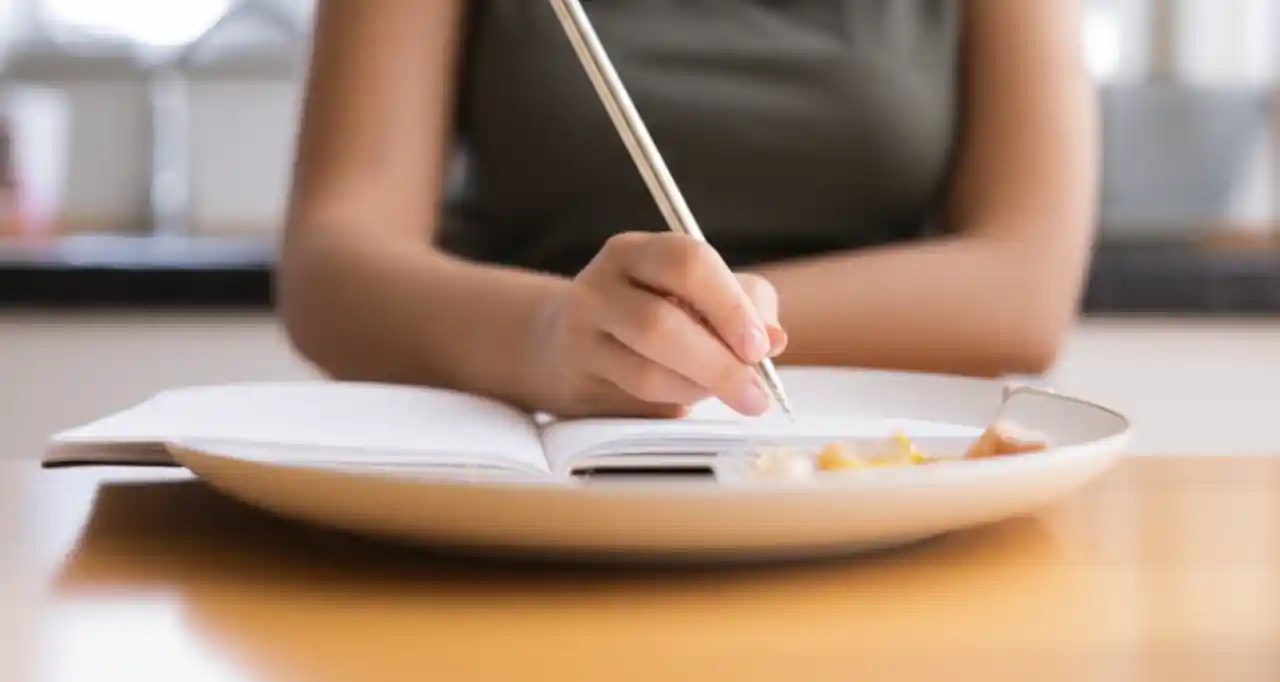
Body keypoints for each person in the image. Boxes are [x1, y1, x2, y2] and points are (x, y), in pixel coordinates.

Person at [280, 0, 1097, 419]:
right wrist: (552, 335)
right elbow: (335, 261)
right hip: (528, 460)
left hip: (858, 463)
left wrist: (681, 329)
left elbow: (1023, 287)